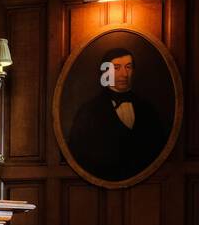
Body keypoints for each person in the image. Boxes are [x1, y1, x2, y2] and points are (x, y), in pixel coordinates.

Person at [66, 46, 167, 182]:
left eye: (128, 67)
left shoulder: (147, 108)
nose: (124, 74)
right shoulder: (89, 111)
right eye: (117, 68)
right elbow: (79, 154)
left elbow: (159, 148)